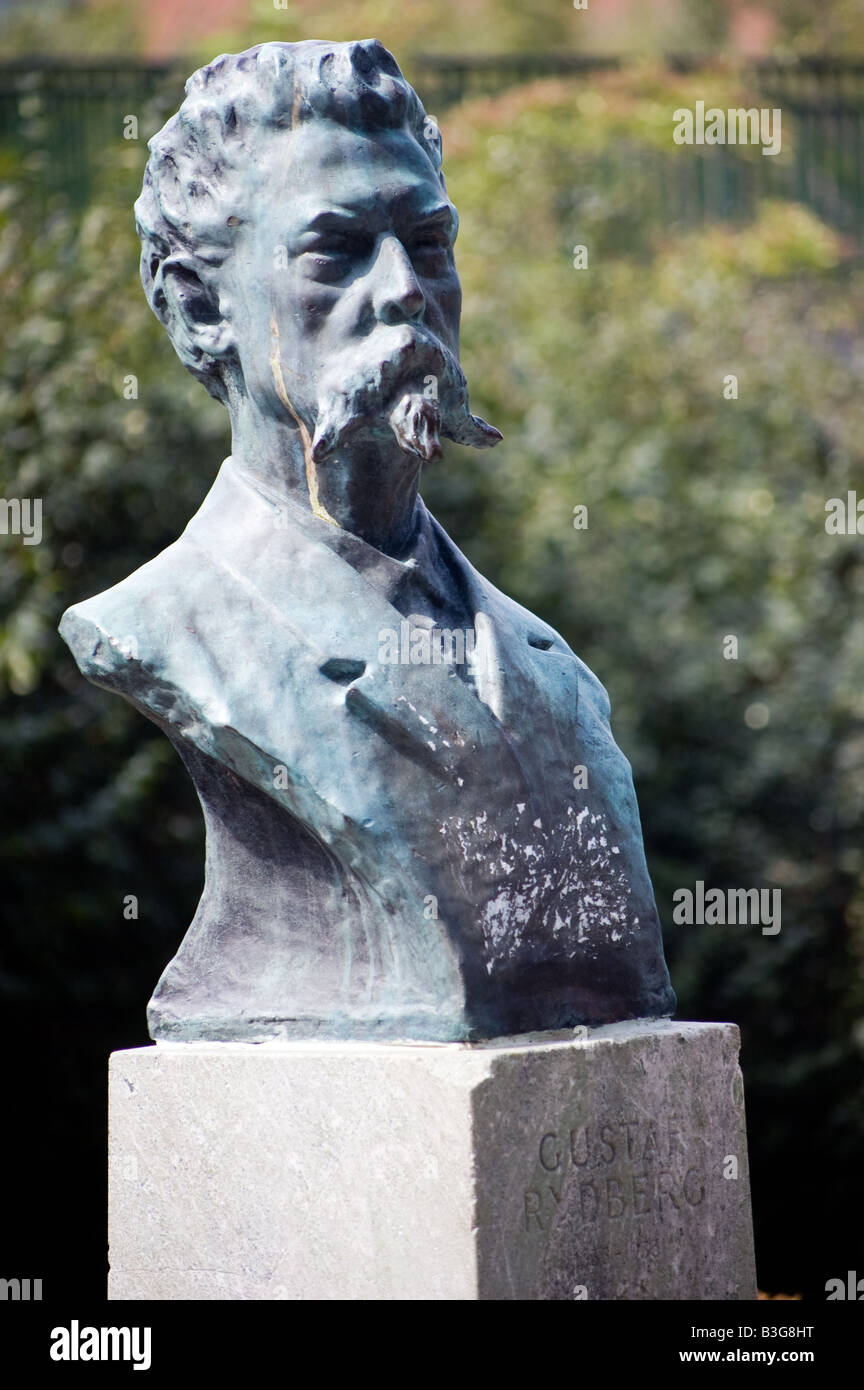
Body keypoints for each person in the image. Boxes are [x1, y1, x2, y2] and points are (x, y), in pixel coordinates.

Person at [60, 39, 676, 1041]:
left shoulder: (557, 676)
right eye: (336, 251)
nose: (403, 290)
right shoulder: (170, 629)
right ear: (197, 306)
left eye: (428, 245)